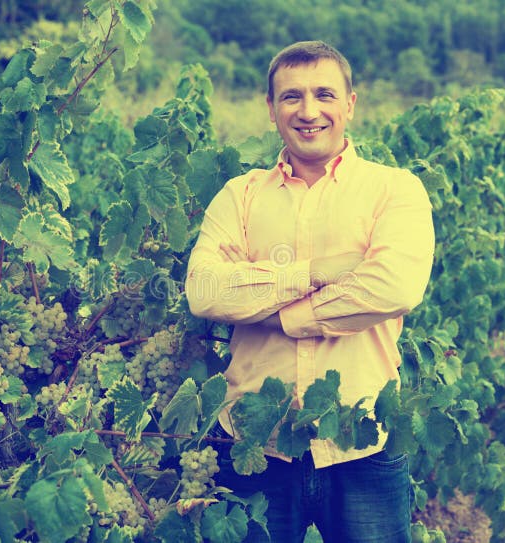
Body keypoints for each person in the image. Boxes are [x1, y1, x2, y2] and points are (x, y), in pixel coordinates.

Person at [184, 40, 435, 543]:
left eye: (324, 94)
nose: (309, 110)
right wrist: (320, 271)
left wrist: (279, 312)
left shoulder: (395, 190)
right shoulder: (241, 195)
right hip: (257, 443)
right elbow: (205, 290)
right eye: (291, 96)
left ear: (350, 104)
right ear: (272, 109)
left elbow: (393, 288)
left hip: (362, 445)